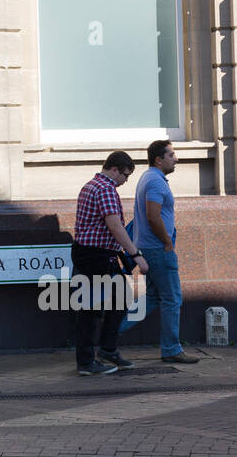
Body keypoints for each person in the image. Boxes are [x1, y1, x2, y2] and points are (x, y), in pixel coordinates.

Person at [119, 140, 198, 363]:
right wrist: (167, 242)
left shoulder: (148, 177)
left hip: (147, 247)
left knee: (153, 297)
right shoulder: (155, 181)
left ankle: (111, 331)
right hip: (158, 248)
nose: (176, 159)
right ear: (158, 159)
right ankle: (172, 349)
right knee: (172, 298)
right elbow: (153, 216)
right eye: (171, 155)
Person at [71, 151, 149, 376]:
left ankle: (106, 350)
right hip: (96, 256)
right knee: (92, 308)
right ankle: (87, 361)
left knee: (117, 299)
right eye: (126, 175)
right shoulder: (106, 189)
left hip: (91, 254)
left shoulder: (91, 185)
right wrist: (136, 255)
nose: (126, 181)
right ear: (114, 169)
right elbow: (115, 226)